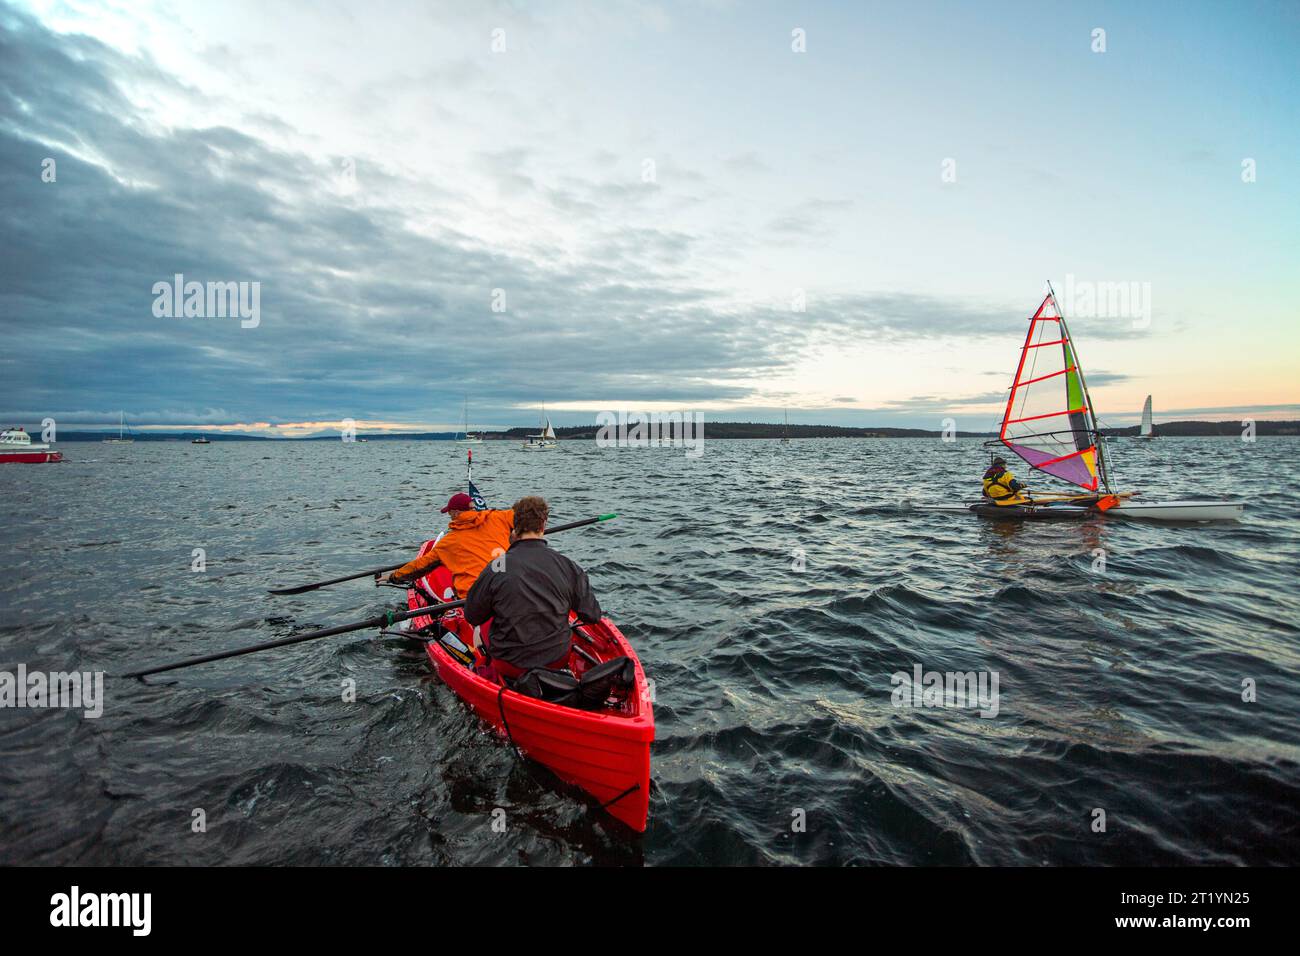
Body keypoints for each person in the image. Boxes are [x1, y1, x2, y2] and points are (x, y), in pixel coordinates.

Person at [464, 495, 603, 681]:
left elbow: (473, 616)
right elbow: (591, 615)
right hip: (557, 660)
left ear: (514, 525)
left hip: (511, 665)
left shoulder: (498, 566)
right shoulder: (568, 566)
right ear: (543, 525)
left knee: (482, 627)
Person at [376, 493, 514, 599]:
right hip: (509, 588)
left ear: (455, 513)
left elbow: (421, 566)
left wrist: (393, 576)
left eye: (449, 513)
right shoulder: (500, 517)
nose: (449, 516)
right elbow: (529, 516)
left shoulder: (449, 542)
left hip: (474, 598)